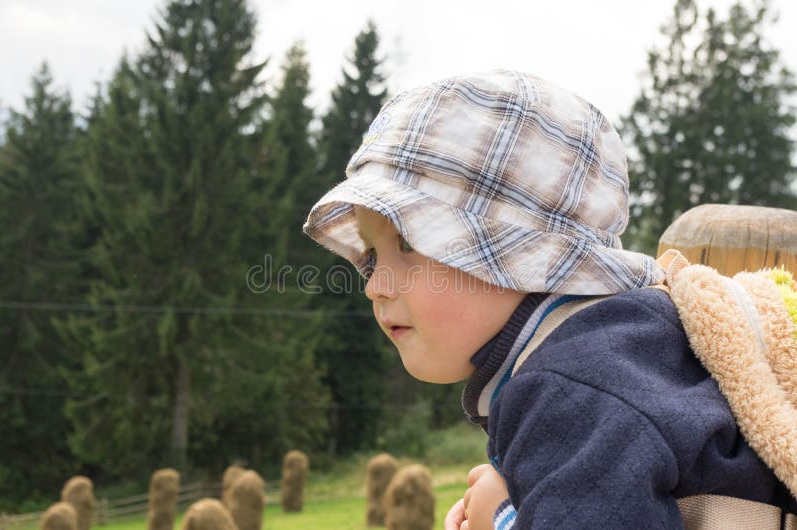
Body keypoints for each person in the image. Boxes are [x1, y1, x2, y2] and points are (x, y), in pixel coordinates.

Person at [302, 70, 797, 528]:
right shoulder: (623, 352)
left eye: (409, 243)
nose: (374, 283)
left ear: (515, 258)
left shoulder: (571, 389)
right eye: (372, 253)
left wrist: (501, 517)